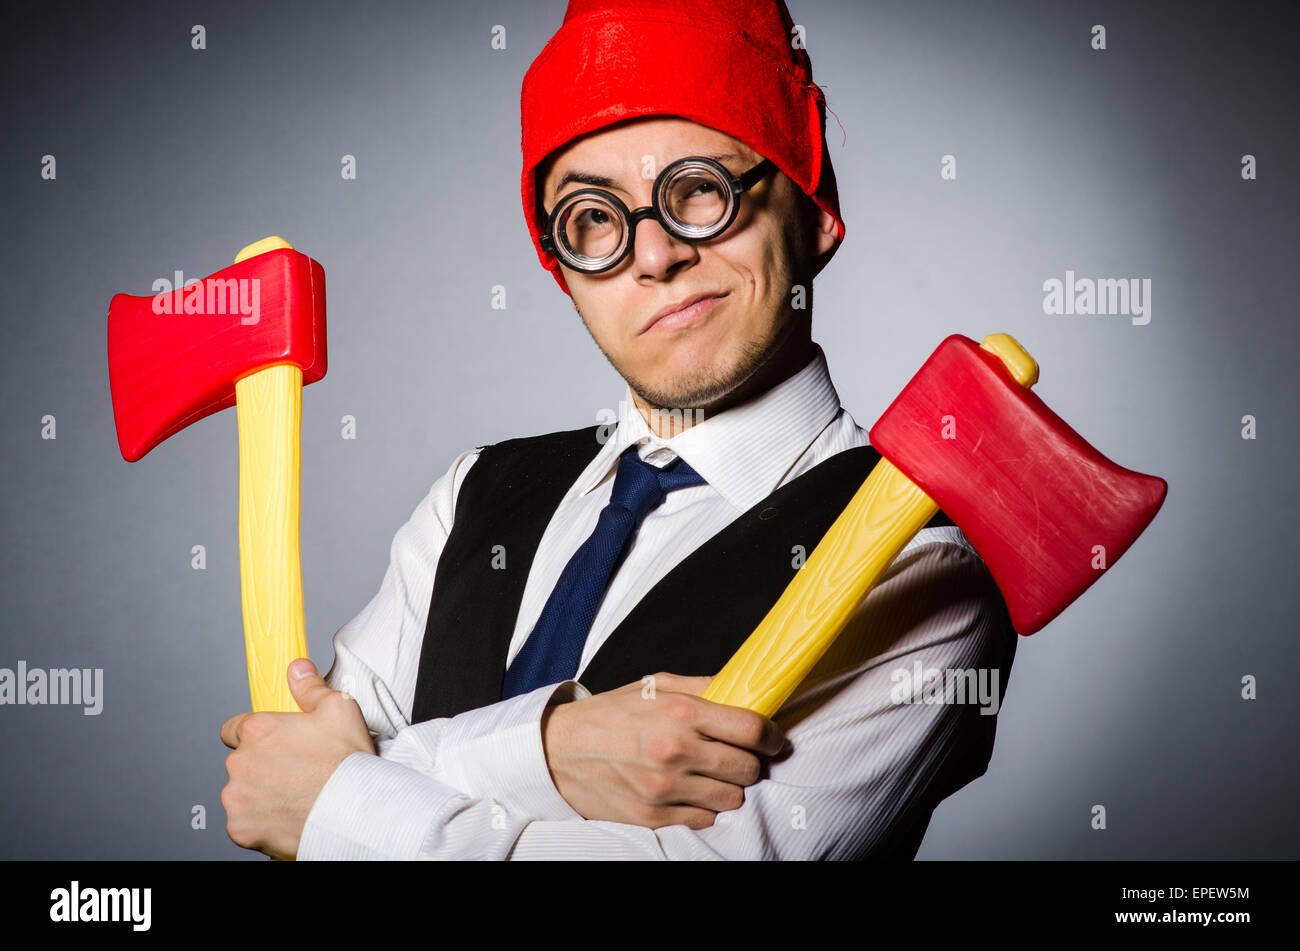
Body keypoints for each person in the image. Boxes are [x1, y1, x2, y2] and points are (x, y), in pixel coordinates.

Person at [220, 0, 1017, 861]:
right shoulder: (473, 495)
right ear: (563, 269)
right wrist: (554, 749)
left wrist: (361, 794)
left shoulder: (918, 563)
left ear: (814, 207)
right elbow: (279, 786)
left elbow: (311, 796)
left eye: (700, 190)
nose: (651, 255)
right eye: (595, 217)